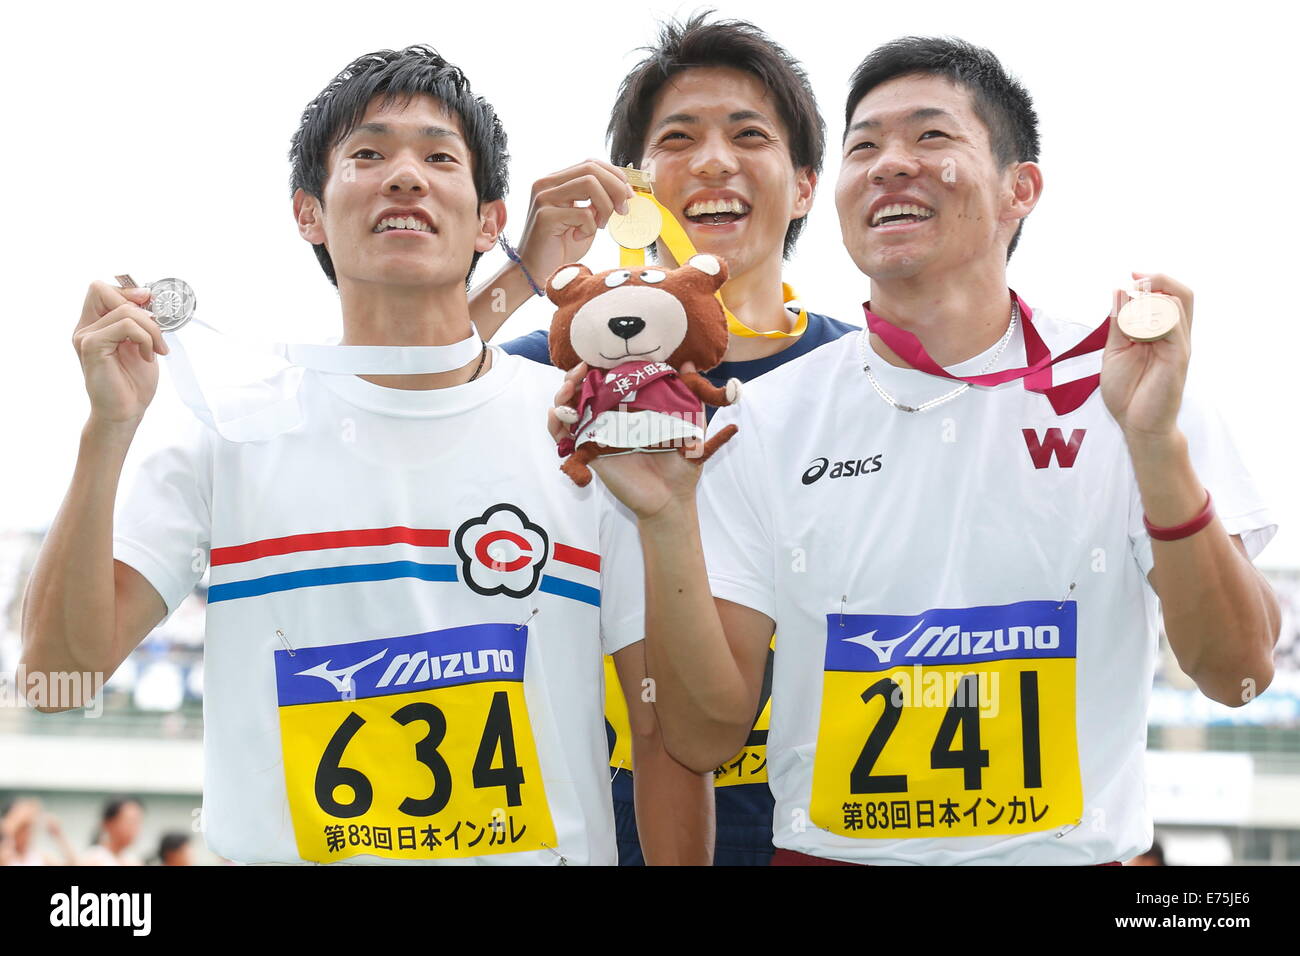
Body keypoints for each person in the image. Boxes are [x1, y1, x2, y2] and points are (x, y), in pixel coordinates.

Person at [581, 35, 1282, 865]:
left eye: (932, 137)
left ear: (1020, 188)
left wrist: (1156, 447)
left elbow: (1238, 673)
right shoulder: (763, 421)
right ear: (832, 191)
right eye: (864, 146)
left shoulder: (1128, 388)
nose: (889, 165)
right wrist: (666, 519)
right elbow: (702, 737)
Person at [19, 44, 705, 866]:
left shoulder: (577, 426)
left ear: (492, 220)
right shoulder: (225, 433)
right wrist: (107, 432)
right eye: (369, 153)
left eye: (439, 156)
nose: (406, 176)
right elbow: (55, 679)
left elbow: (664, 725)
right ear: (307, 212)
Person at [473, 13, 856, 866]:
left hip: (828, 827)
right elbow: (406, 390)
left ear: (802, 186)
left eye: (748, 135)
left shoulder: (857, 374)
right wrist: (525, 272)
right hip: (594, 820)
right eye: (678, 138)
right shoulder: (559, 372)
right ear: (634, 188)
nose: (715, 160)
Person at [81, 797, 144, 866]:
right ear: (108, 823)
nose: (134, 829)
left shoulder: (131, 860)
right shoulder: (93, 859)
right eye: (129, 822)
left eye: (137, 822)